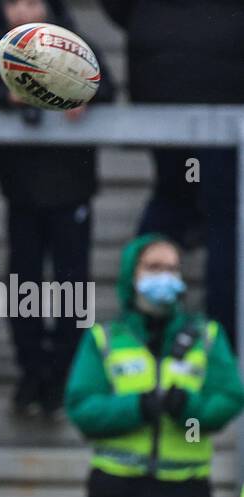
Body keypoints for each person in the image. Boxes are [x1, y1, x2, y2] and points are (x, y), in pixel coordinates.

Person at [65, 234, 244, 497]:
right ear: (132, 275)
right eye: (154, 268)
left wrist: (189, 407)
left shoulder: (207, 336)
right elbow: (81, 406)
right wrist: (137, 408)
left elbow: (230, 397)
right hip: (118, 492)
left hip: (183, 493)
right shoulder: (103, 339)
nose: (165, 277)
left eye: (172, 269)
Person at [0, 0, 115, 419]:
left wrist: (81, 92)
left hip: (71, 193)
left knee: (70, 288)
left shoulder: (78, 46)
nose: (22, 11)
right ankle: (31, 370)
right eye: (12, 3)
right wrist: (6, 98)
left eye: (31, 1)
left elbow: (109, 87)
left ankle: (63, 374)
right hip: (21, 193)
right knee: (20, 289)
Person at [101, 0, 244, 348]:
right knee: (220, 214)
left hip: (160, 78)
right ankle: (220, 338)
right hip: (220, 86)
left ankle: (140, 319)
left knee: (176, 192)